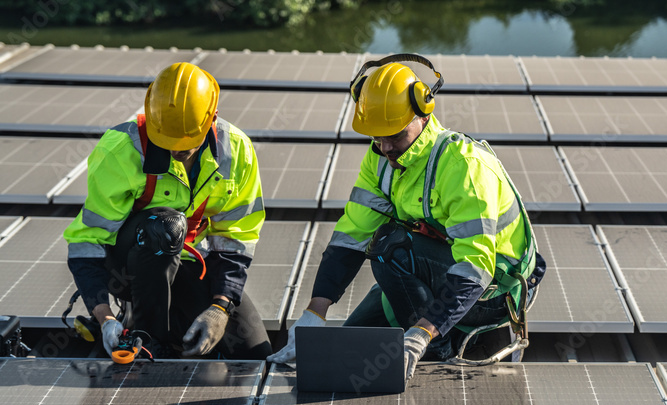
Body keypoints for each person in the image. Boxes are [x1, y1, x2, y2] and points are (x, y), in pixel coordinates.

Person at [268, 55, 544, 380]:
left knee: (390, 248)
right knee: (346, 345)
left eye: (394, 136)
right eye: (376, 137)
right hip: (436, 269)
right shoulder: (381, 158)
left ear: (423, 113)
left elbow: (475, 266)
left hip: (493, 291)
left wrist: (422, 335)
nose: (384, 147)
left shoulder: (463, 167)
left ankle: (439, 349)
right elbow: (351, 235)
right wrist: (315, 311)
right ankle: (425, 331)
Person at [63, 62, 271, 360]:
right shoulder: (120, 150)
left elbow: (237, 237)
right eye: (167, 141)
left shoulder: (237, 152)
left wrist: (220, 307)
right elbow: (87, 241)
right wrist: (104, 317)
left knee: (252, 350)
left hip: (190, 260)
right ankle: (148, 339)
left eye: (185, 145)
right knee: (166, 226)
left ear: (211, 118)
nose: (175, 151)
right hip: (128, 268)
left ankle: (170, 322)